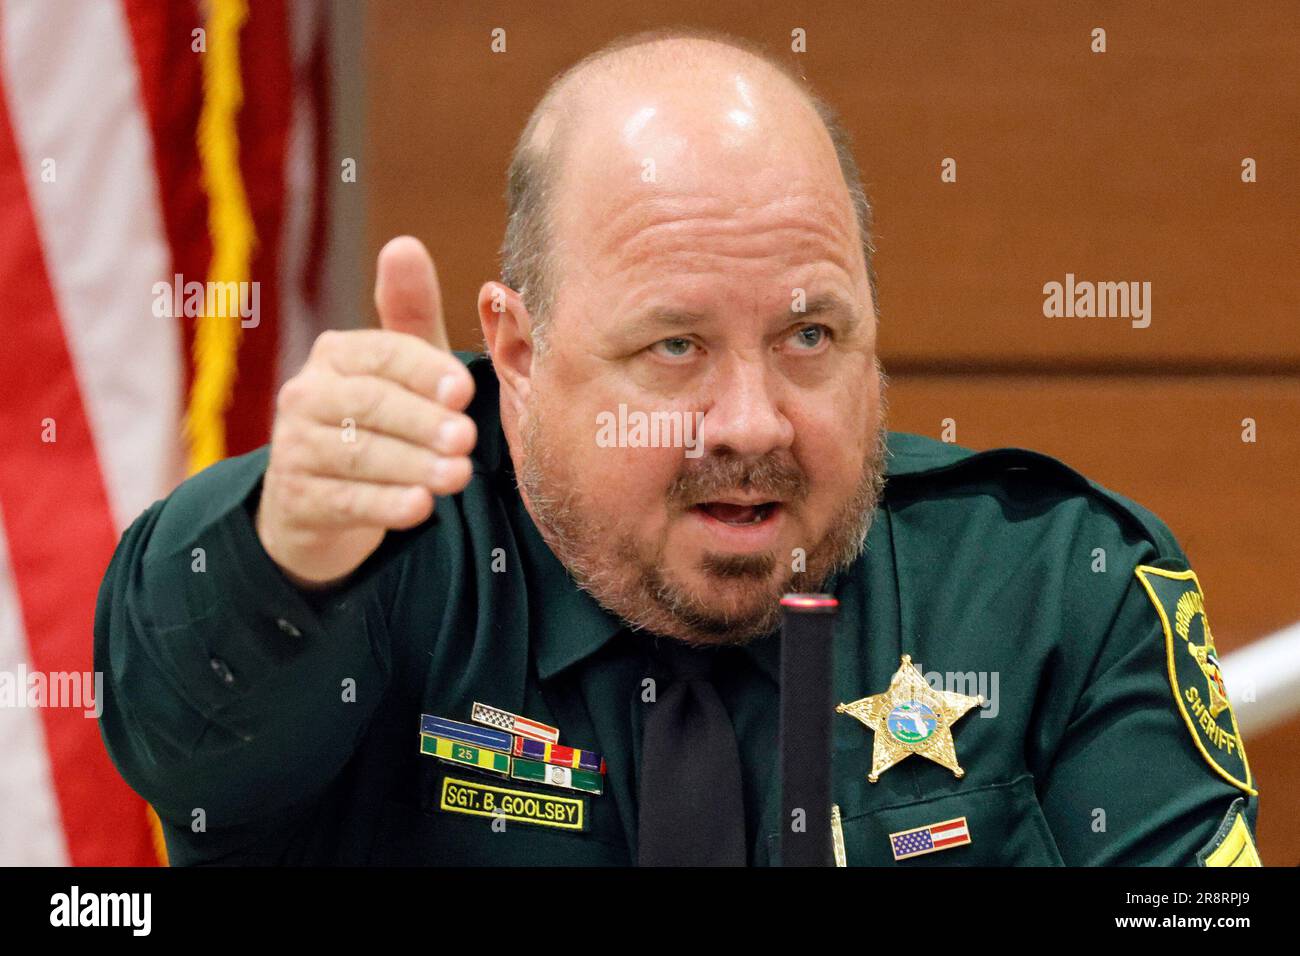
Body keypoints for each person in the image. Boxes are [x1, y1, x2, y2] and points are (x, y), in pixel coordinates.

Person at [95, 28, 1260, 866]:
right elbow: (178, 734)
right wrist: (278, 554)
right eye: (673, 346)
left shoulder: (1054, 585)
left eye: (810, 334)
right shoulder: (378, 563)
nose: (749, 422)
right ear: (517, 350)